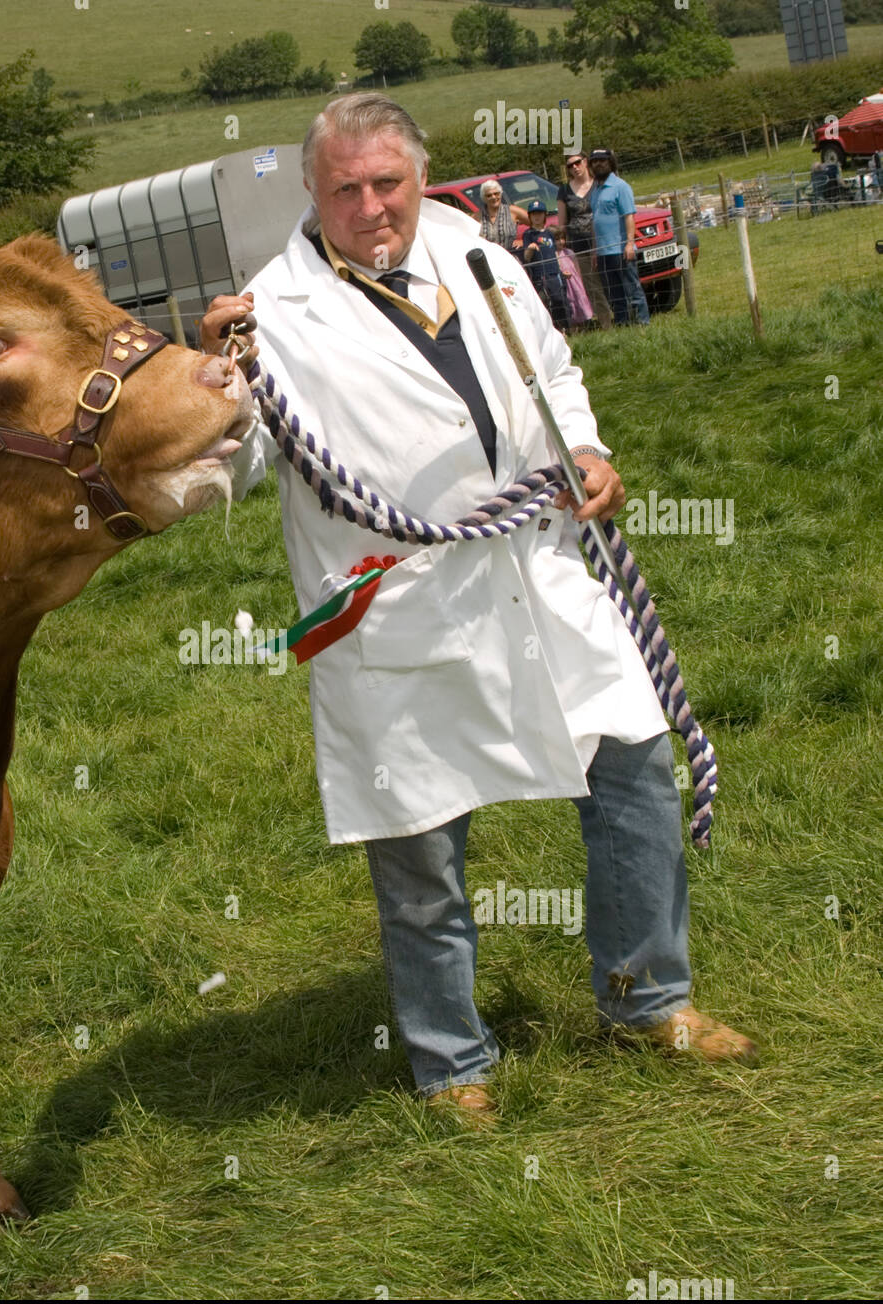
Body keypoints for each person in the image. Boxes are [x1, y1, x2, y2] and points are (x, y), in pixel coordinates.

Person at [199, 94, 757, 1121]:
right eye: (344, 190)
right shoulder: (269, 315)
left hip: (539, 577)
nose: (370, 206)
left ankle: (645, 1000)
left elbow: (551, 369)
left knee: (635, 774)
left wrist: (584, 451)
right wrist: (217, 391)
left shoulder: (478, 253)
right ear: (313, 194)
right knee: (420, 853)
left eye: (388, 184)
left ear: (421, 177)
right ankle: (453, 1063)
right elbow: (234, 474)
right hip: (399, 617)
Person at [588, 147, 650, 326]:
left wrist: (629, 244)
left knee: (633, 290)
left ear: (610, 163)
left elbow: (629, 216)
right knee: (615, 294)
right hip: (603, 252)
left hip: (621, 249)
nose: (598, 164)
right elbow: (594, 222)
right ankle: (623, 326)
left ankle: (642, 325)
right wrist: (594, 250)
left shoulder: (620, 187)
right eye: (595, 161)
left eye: (602, 160)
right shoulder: (596, 190)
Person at [555, 150, 612, 329]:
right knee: (593, 286)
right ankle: (606, 325)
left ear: (586, 162)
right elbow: (562, 222)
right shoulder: (564, 191)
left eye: (578, 162)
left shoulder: (599, 184)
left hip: (605, 241)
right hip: (580, 244)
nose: (575, 167)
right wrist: (561, 241)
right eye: (570, 165)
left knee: (611, 280)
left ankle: (624, 317)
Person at [519, 199, 569, 332]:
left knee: (560, 301)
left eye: (540, 213)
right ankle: (549, 331)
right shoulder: (528, 234)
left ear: (545, 215)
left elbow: (555, 253)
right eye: (534, 214)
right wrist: (530, 248)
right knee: (544, 303)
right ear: (529, 216)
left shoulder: (549, 233)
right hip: (539, 275)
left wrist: (561, 270)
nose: (537, 217)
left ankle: (564, 329)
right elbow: (526, 257)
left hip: (554, 273)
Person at [555, 228, 594, 331]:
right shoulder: (554, 255)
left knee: (580, 301)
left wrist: (580, 282)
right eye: (557, 239)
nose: (561, 242)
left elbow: (577, 269)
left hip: (575, 284)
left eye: (563, 238)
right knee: (570, 305)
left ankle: (584, 327)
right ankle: (573, 329)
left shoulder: (569, 252)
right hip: (565, 286)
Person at [477, 179, 527, 256]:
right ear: (484, 198)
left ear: (500, 194)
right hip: (489, 261)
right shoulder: (477, 217)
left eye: (496, 193)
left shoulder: (513, 211)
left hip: (512, 258)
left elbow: (538, 225)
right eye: (489, 195)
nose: (493, 197)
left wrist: (524, 241)